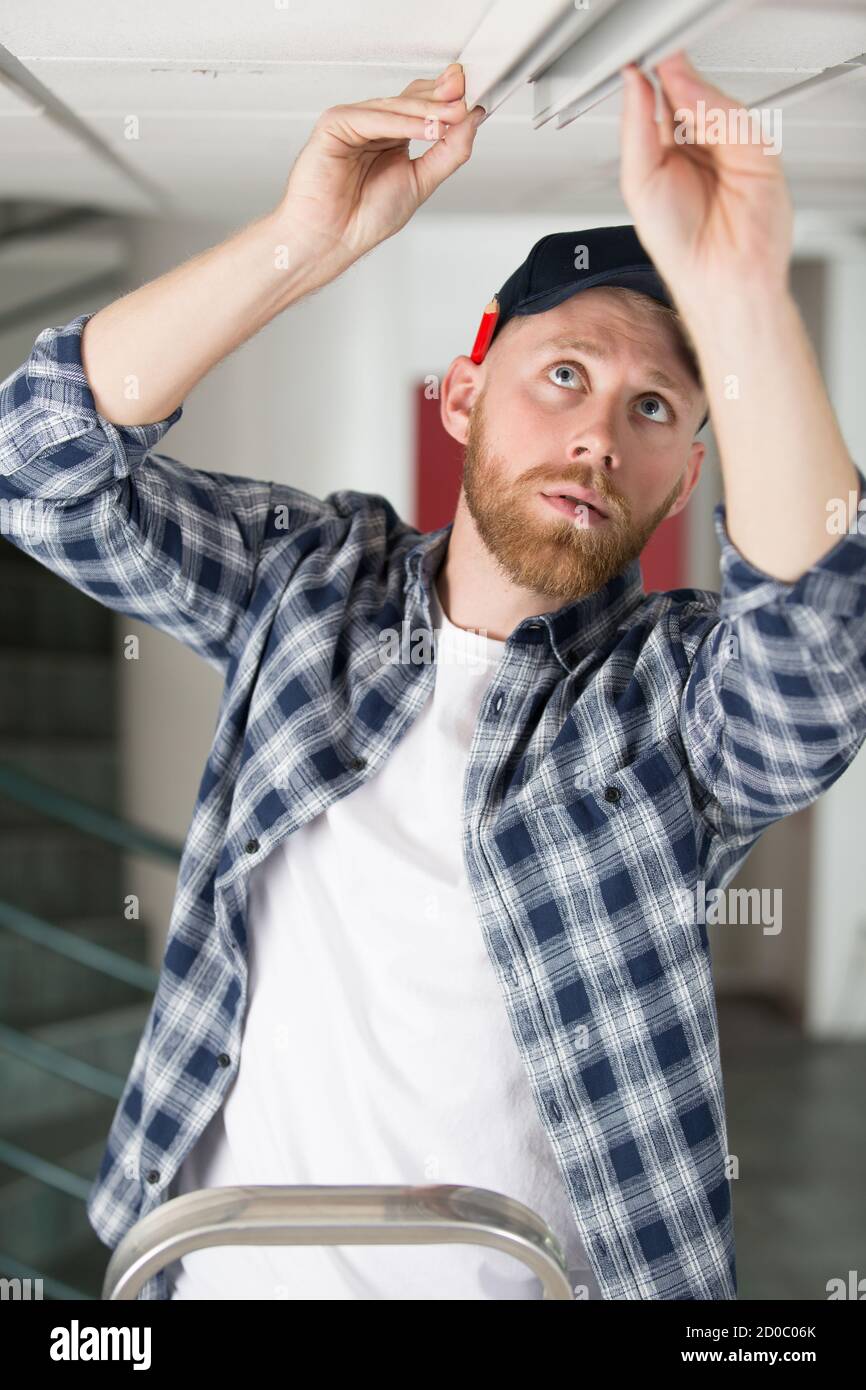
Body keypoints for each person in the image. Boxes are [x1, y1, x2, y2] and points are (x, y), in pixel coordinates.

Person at [1, 51, 864, 1302]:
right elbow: (39, 466)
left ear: (685, 478)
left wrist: (739, 299)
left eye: (653, 409)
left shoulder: (669, 702)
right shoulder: (306, 583)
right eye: (563, 372)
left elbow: (817, 661)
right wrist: (303, 241)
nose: (595, 435)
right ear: (464, 395)